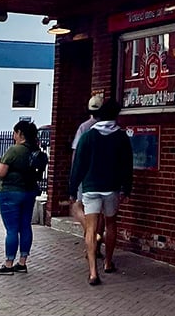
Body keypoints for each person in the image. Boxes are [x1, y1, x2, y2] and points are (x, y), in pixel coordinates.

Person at [69, 98, 133, 286]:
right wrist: (126, 188)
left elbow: (78, 165)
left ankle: (92, 272)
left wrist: (72, 189)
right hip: (111, 187)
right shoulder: (121, 137)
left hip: (90, 188)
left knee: (91, 228)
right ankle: (107, 262)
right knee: (111, 224)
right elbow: (126, 165)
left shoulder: (88, 136)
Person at [0, 120, 42, 275]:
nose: (13, 136)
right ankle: (22, 262)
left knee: (12, 229)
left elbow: (1, 172)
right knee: (25, 226)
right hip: (29, 192)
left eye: (14, 133)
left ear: (20, 133)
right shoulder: (35, 150)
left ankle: (8, 264)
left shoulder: (15, 150)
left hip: (10, 192)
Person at [71, 94, 105, 256]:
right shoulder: (109, 128)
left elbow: (77, 154)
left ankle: (92, 237)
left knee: (79, 208)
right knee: (101, 214)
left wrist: (74, 176)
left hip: (86, 176)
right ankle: (96, 247)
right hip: (104, 176)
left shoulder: (85, 127)